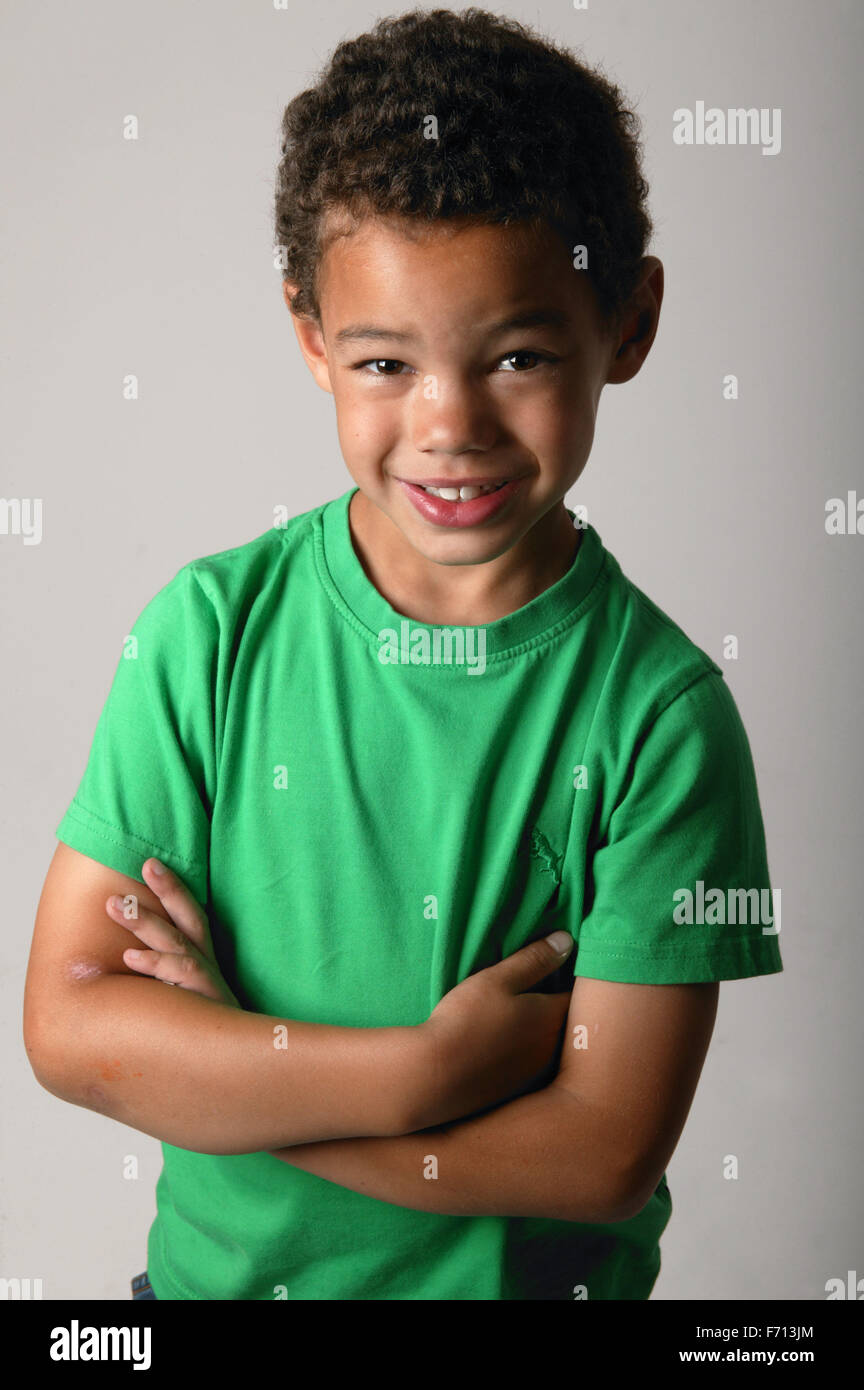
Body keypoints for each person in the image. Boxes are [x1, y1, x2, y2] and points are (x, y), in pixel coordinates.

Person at [23, 7, 782, 1301]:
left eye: (522, 355)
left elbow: (600, 1156)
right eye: (385, 360)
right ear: (312, 335)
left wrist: (235, 1075)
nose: (451, 425)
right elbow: (71, 1028)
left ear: (631, 322)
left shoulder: (663, 714)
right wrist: (421, 1071)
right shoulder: (204, 634)